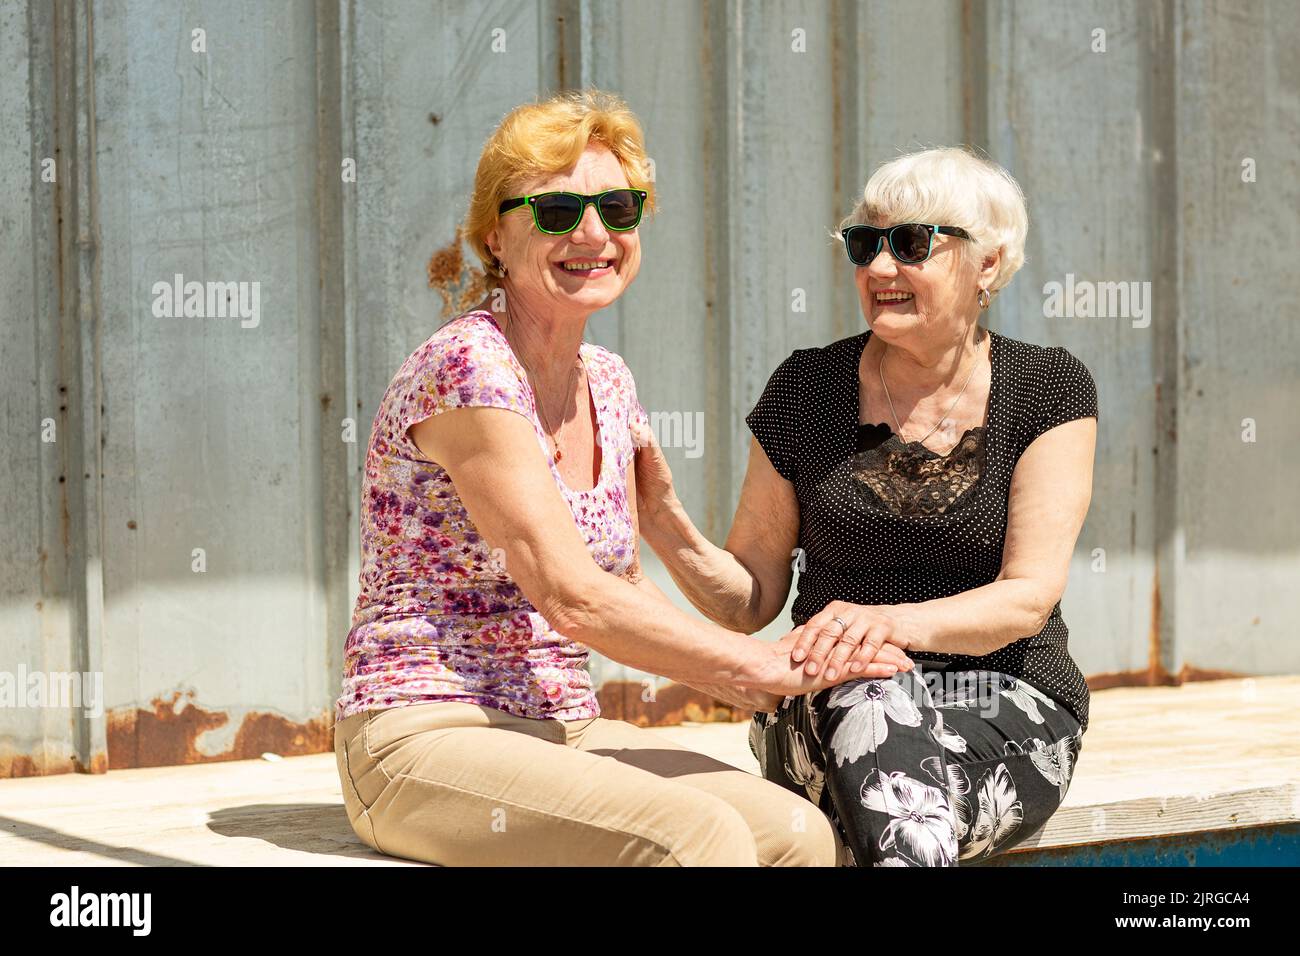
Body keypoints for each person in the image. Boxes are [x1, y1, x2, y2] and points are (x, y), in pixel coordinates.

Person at [331, 89, 913, 867]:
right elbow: (569, 592)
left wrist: (676, 532)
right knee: (695, 840)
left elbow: (621, 584)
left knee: (797, 835)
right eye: (556, 212)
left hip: (563, 727)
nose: (594, 233)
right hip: (424, 735)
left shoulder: (605, 379)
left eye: (618, 206)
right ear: (495, 236)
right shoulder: (469, 366)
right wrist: (755, 667)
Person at [634, 146, 1097, 866]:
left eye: (911, 244)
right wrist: (665, 524)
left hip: (999, 701)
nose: (880, 270)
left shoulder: (1046, 389)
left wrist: (882, 624)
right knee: (869, 694)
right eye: (864, 245)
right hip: (825, 708)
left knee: (881, 727)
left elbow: (1026, 599)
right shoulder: (805, 387)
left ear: (989, 265)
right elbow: (751, 598)